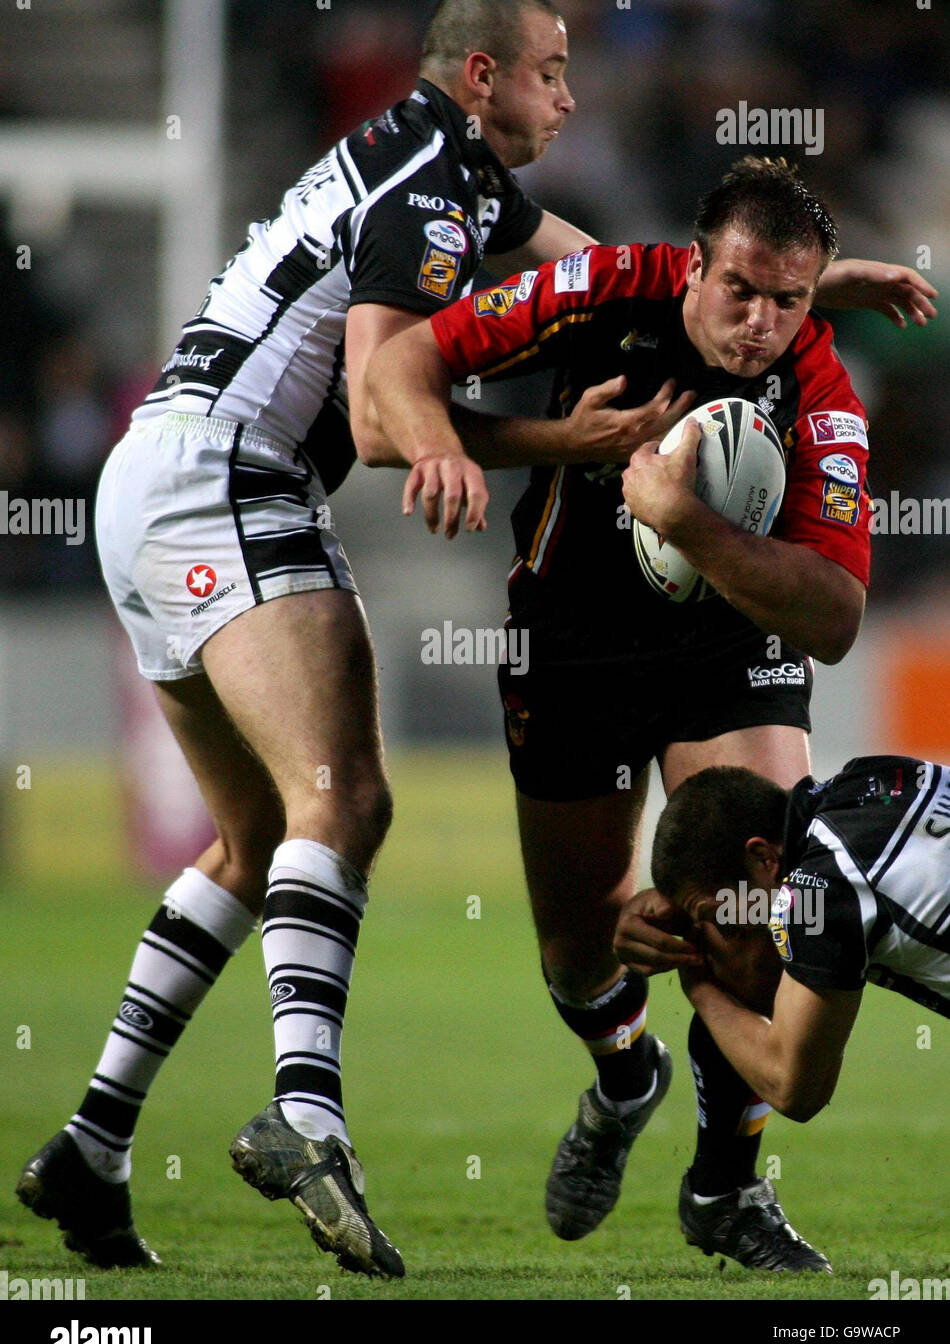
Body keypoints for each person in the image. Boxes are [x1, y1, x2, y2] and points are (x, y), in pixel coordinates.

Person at [15, 0, 933, 1279]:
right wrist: (482, 443)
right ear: (484, 78)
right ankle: (596, 1081)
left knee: (271, 838)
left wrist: (794, 300)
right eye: (552, 74)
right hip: (260, 490)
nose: (571, 100)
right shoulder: (437, 192)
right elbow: (387, 400)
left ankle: (110, 1136)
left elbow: (826, 597)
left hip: (162, 476)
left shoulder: (505, 206)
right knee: (393, 832)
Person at [365, 156, 934, 1272]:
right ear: (691, 263)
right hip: (569, 650)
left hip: (732, 652)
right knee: (583, 948)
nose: (762, 323)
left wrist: (684, 520)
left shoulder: (820, 385)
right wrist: (449, 444)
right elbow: (400, 365)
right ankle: (625, 1076)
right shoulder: (599, 290)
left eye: (789, 299)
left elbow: (830, 617)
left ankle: (724, 1188)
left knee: (752, 918)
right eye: (739, 290)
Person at [619, 757, 949, 1134]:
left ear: (762, 857)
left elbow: (794, 1091)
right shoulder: (874, 776)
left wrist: (700, 982)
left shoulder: (817, 895)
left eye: (718, 913)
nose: (722, 932)